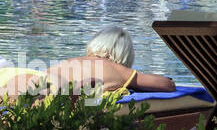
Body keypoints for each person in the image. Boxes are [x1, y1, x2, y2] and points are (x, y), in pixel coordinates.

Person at [2, 26, 175, 99]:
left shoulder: (72, 61)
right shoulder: (116, 68)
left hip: (28, 80)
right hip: (56, 92)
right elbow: (166, 85)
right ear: (122, 54)